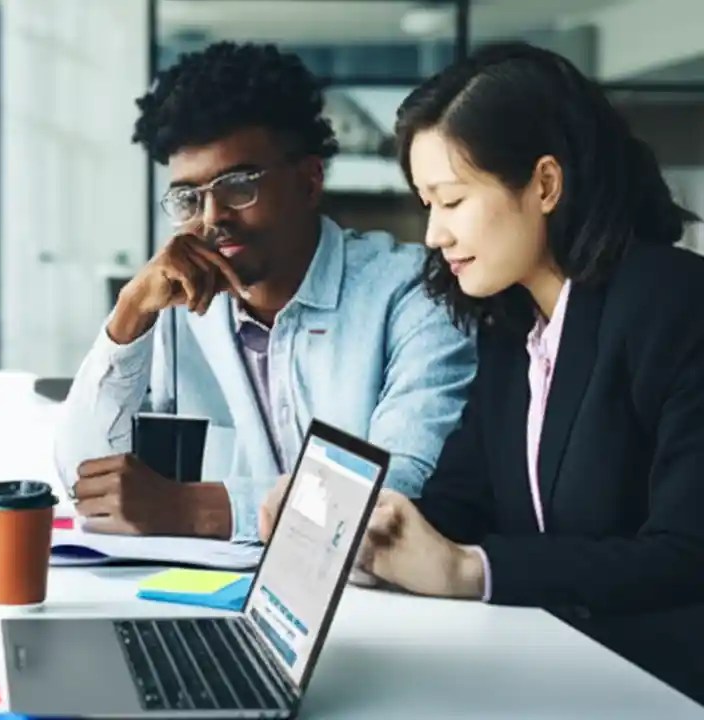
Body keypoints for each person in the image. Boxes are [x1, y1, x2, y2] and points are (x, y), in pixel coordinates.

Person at [262, 43, 704, 704]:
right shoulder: (511, 328)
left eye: (452, 200)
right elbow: (463, 503)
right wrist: (359, 531)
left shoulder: (672, 302)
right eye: (426, 204)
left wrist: (470, 570)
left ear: (545, 185)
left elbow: (685, 555)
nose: (434, 234)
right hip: (553, 672)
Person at [55, 42, 476, 542]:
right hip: (204, 598)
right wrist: (128, 317)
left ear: (309, 180)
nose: (212, 219)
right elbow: (87, 485)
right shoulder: (177, 307)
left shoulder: (413, 292)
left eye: (238, 186)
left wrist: (194, 509)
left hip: (374, 606)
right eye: (189, 198)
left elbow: (399, 494)